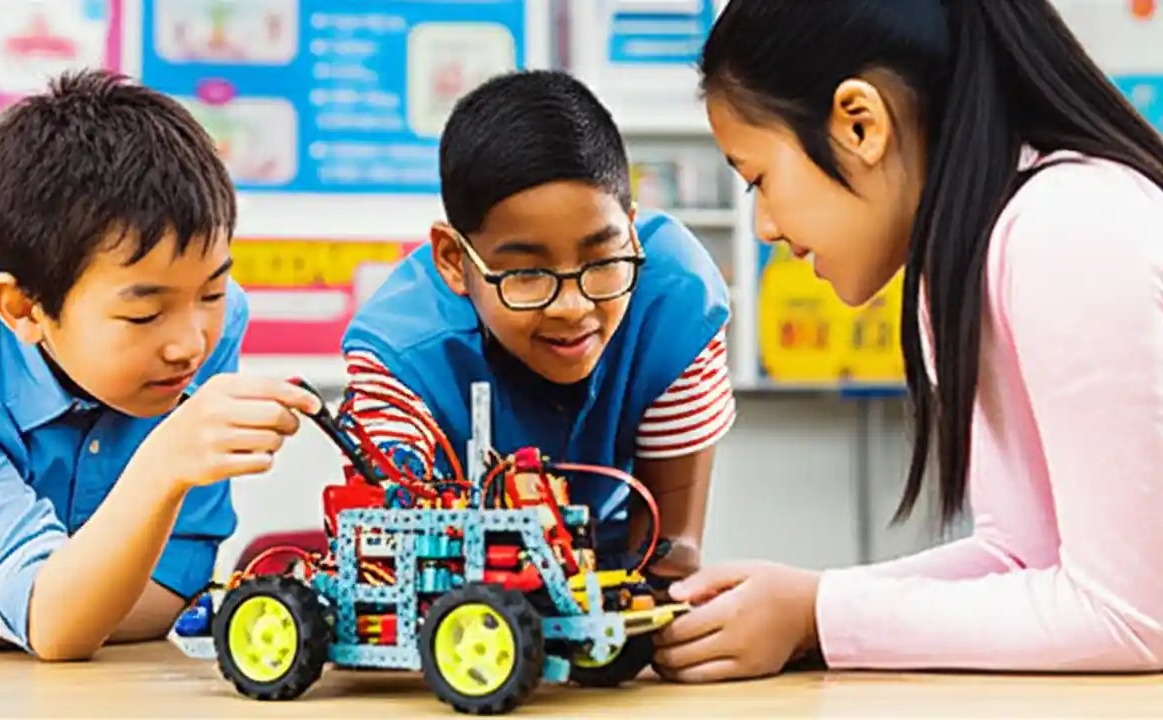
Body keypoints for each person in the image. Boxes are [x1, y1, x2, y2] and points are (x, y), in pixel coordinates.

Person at [653, 0, 1163, 681]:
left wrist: (823, 614)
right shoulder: (970, 262)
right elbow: (1024, 555)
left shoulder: (1069, 229)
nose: (766, 227)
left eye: (760, 181)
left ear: (859, 124)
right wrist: (805, 605)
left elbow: (1129, 614)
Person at [0, 70, 318, 660]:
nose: (190, 344)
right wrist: (163, 467)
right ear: (25, 309)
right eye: (143, 315)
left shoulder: (211, 322)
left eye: (212, 292)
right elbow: (61, 630)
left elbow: (167, 594)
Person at [339, 69, 736, 578]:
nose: (572, 307)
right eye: (527, 272)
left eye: (602, 259)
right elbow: (393, 561)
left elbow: (670, 551)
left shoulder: (677, 301)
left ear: (633, 234)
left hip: (607, 566)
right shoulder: (397, 357)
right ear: (453, 260)